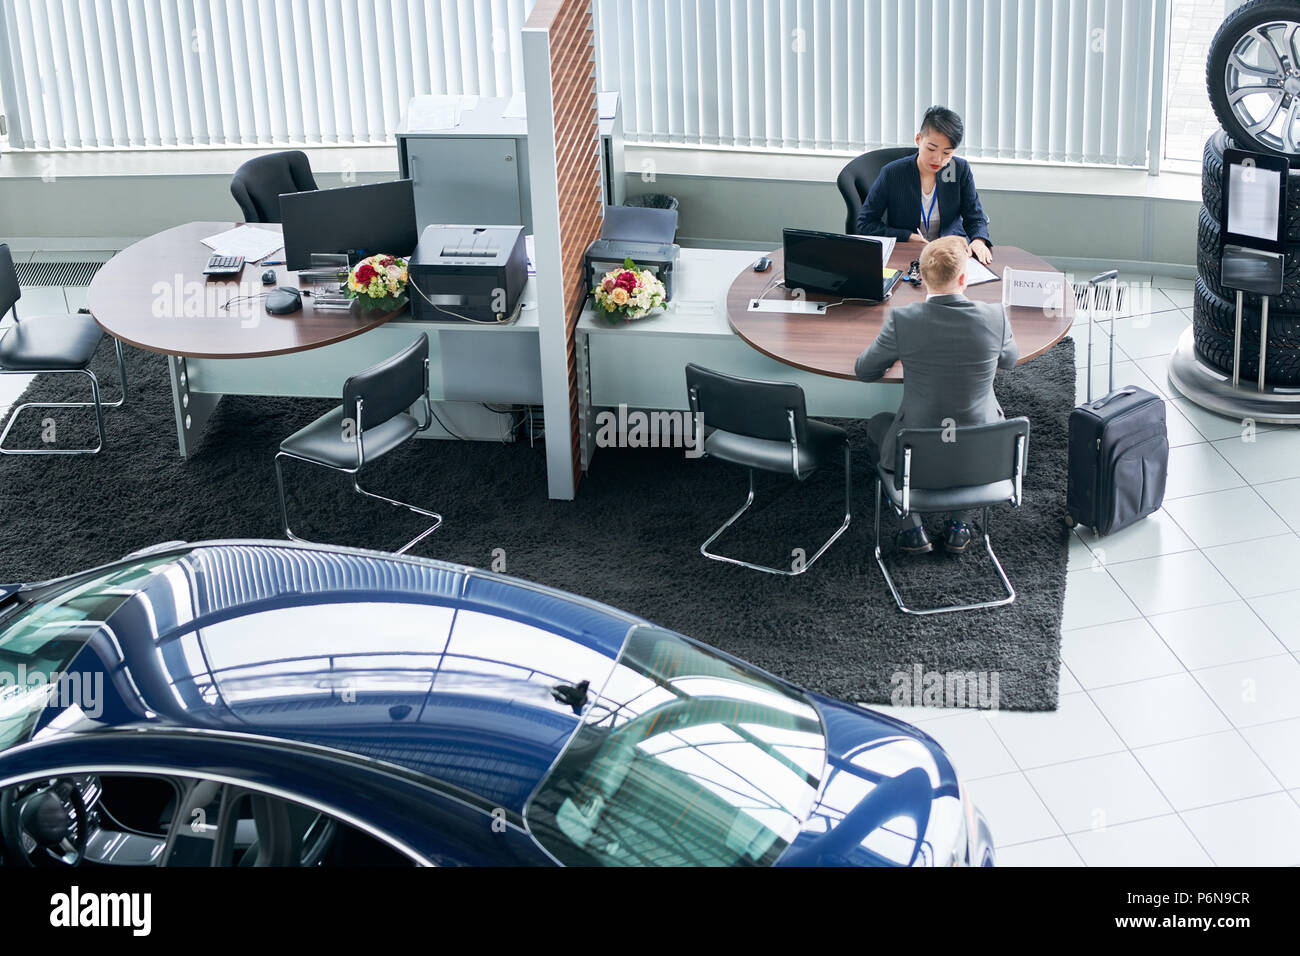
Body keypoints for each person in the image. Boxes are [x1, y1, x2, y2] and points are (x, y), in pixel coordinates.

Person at [854, 235, 1018, 554]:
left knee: (877, 425)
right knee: (969, 434)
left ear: (923, 277)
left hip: (916, 452)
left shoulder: (903, 321)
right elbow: (1009, 360)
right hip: (985, 450)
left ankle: (911, 528)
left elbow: (865, 370)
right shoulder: (995, 316)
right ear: (963, 278)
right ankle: (960, 525)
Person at [855, 106, 993, 266]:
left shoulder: (959, 169)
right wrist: (907, 236)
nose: (938, 159)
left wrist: (978, 240)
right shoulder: (892, 173)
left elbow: (975, 217)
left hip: (950, 254)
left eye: (947, 153)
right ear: (918, 139)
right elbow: (865, 223)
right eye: (931, 149)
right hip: (908, 254)